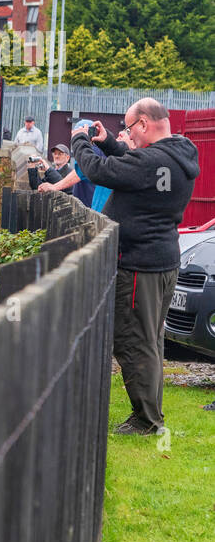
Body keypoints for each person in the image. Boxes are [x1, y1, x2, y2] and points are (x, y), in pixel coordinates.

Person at [69, 99, 199, 435]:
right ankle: (151, 413)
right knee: (152, 341)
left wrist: (79, 140)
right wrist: (109, 141)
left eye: (129, 128)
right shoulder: (180, 153)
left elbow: (99, 172)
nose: (128, 135)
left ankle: (146, 420)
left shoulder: (153, 160)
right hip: (163, 261)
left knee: (133, 341)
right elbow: (137, 163)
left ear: (143, 124)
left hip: (139, 264)